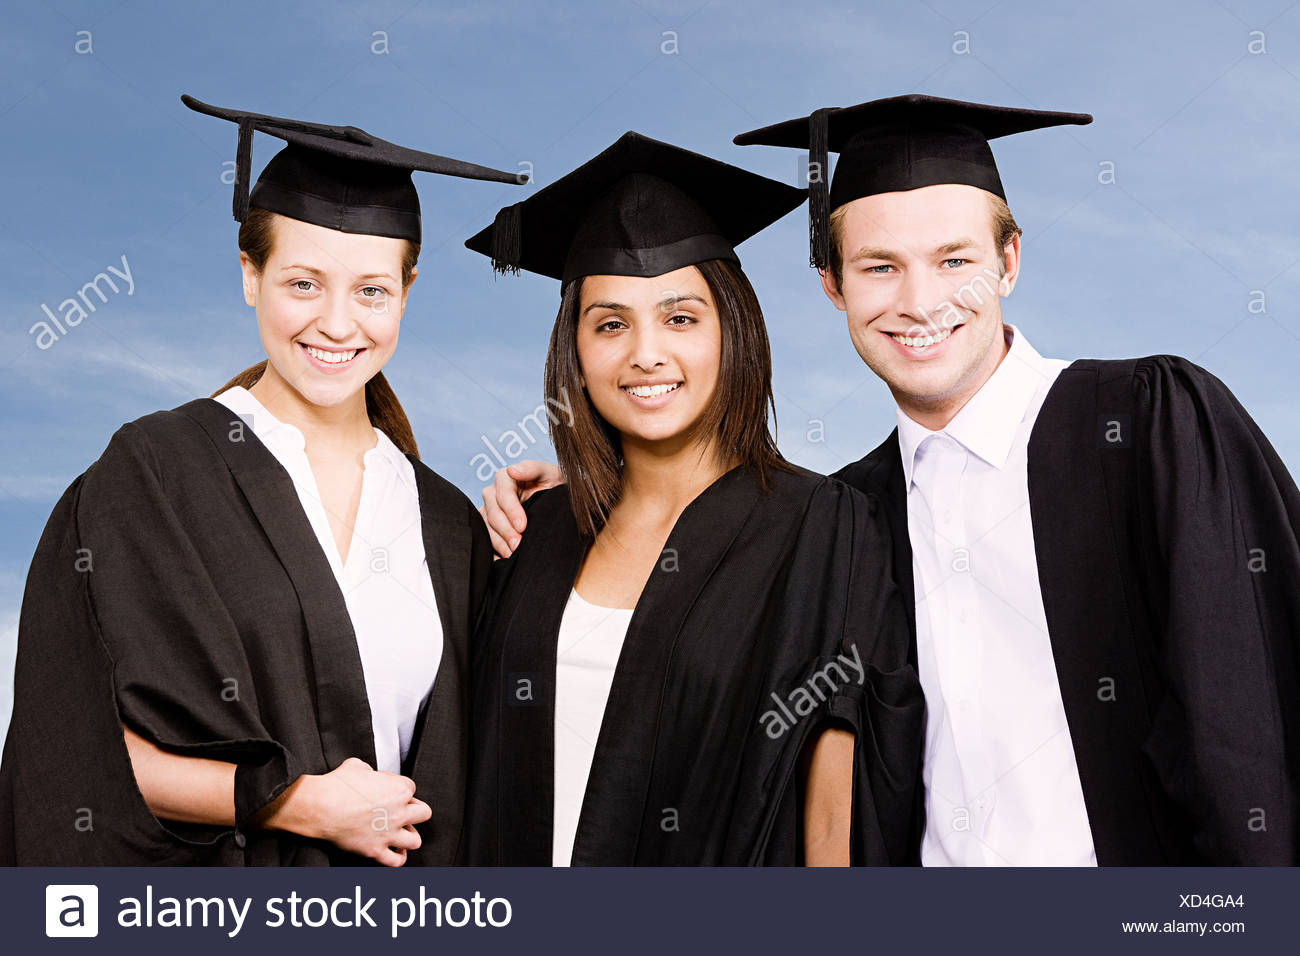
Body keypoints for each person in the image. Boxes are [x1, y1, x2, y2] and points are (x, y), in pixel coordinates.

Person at [484, 94, 1300, 865]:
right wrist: (598, 489)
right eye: (879, 267)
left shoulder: (1146, 426)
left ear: (1009, 261)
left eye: (955, 260)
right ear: (832, 285)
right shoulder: (844, 517)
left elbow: (1248, 722)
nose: (920, 302)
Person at [0, 95, 523, 865]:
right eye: (303, 283)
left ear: (407, 292)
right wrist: (300, 804)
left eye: (372, 290)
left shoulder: (446, 523)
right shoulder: (154, 474)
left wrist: (558, 527)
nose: (338, 323)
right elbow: (66, 747)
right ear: (251, 274)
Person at [461, 132, 923, 866]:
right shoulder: (535, 532)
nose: (646, 353)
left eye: (680, 318)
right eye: (611, 323)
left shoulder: (820, 528)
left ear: (732, 329)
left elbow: (833, 804)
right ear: (574, 350)